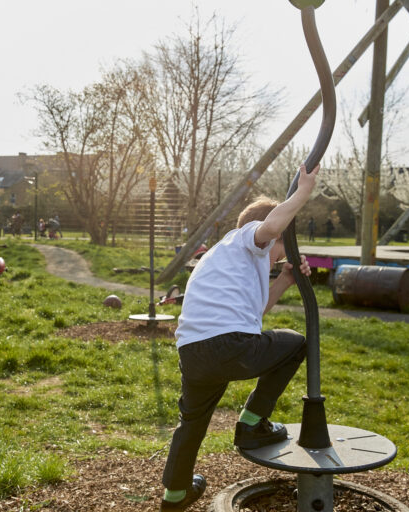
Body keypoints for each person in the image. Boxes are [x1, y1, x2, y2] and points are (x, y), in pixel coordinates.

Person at [159, 164, 319, 511]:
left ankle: (175, 495)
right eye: (285, 243)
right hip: (227, 345)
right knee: (295, 343)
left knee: (192, 422)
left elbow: (253, 313)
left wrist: (286, 279)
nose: (283, 253)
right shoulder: (249, 237)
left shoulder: (225, 256)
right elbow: (272, 226)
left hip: (193, 352)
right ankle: (252, 423)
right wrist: (302, 192)